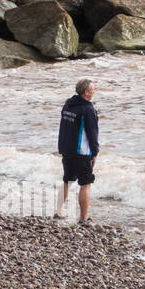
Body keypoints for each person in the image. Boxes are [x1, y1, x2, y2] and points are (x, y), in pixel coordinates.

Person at [56, 79, 99, 224]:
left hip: (67, 150)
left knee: (67, 180)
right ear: (86, 92)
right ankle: (83, 218)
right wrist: (95, 153)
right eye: (93, 89)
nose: (94, 91)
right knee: (85, 184)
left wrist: (61, 147)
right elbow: (92, 133)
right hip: (82, 153)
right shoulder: (88, 109)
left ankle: (58, 211)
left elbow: (63, 126)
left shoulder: (68, 104)